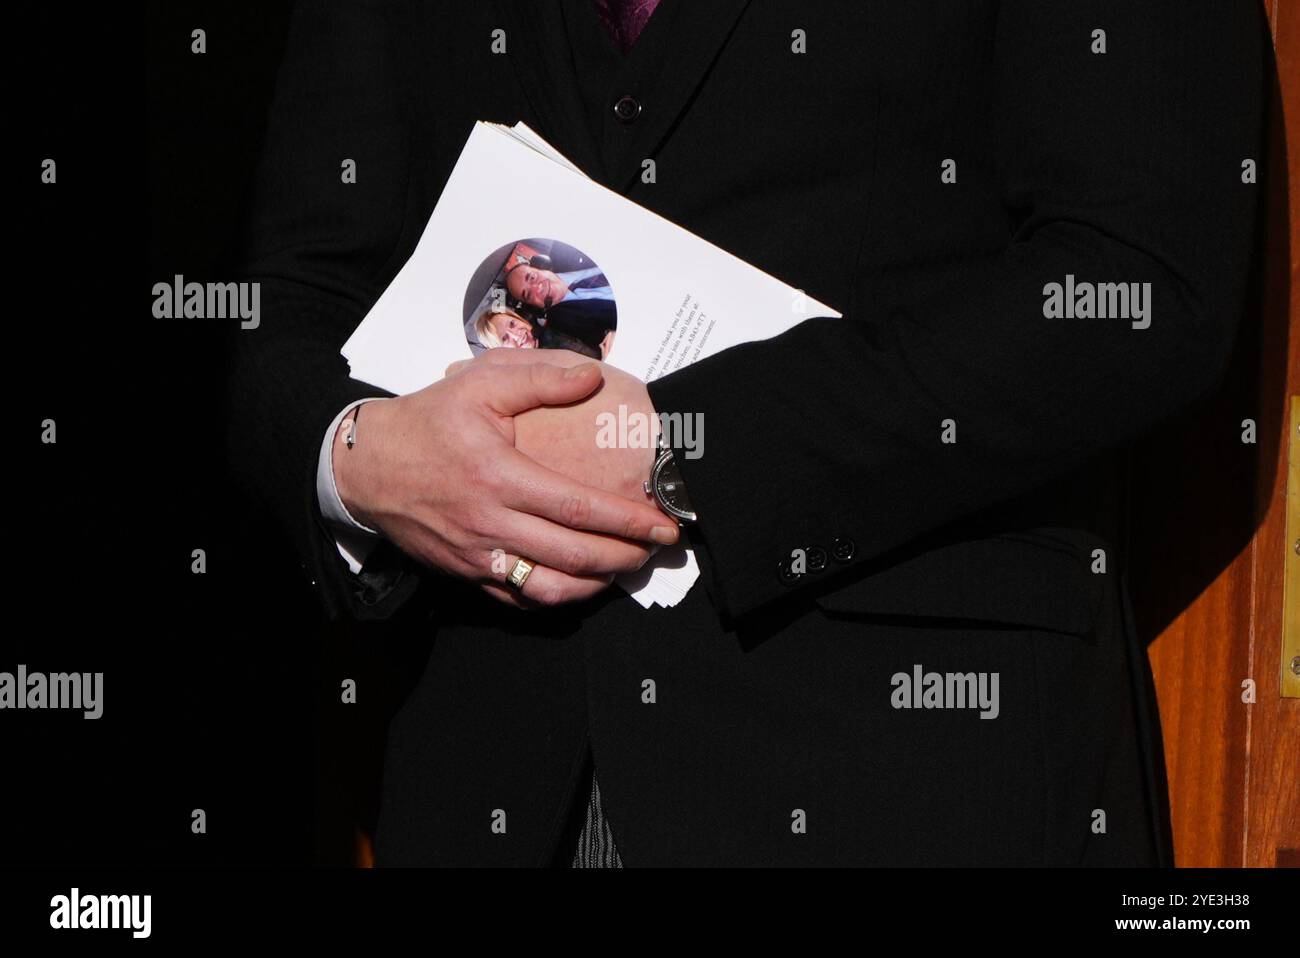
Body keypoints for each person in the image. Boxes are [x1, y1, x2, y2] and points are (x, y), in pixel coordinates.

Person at [228, 0, 1264, 866]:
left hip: (912, 779)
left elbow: (1138, 277)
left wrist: (688, 443)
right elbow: (299, 294)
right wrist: (358, 458)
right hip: (485, 769)